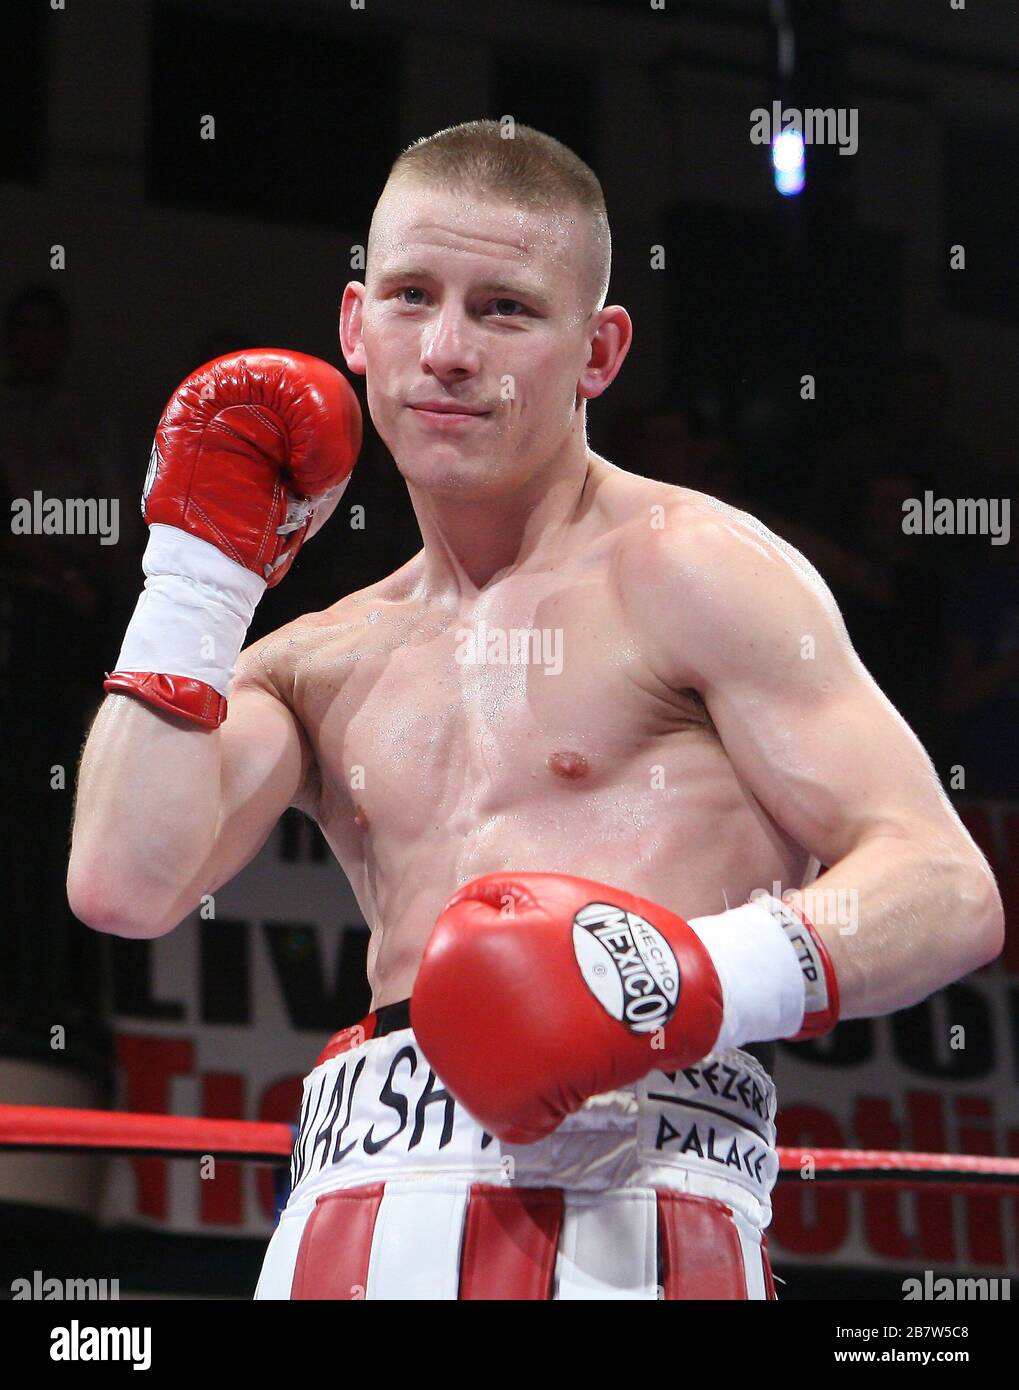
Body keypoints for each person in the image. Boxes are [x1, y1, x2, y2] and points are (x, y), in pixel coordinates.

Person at [67, 121, 1003, 1300]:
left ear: (598, 351)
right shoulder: (315, 658)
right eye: (411, 296)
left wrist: (673, 981)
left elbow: (945, 887)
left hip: (637, 1204)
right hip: (351, 1212)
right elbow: (121, 882)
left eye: (505, 309)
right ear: (355, 326)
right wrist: (197, 580)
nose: (447, 350)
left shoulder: (690, 570)